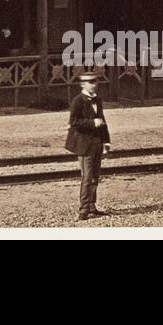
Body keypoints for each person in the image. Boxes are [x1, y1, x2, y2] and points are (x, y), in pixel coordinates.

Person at [65, 72, 111, 220]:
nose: (94, 84)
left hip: (97, 143)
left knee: (95, 177)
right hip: (84, 144)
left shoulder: (97, 100)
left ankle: (92, 206)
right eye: (90, 82)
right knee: (87, 177)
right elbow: (74, 122)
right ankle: (84, 209)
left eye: (95, 81)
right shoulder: (78, 101)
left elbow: (102, 120)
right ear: (82, 84)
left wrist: (106, 141)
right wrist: (92, 123)